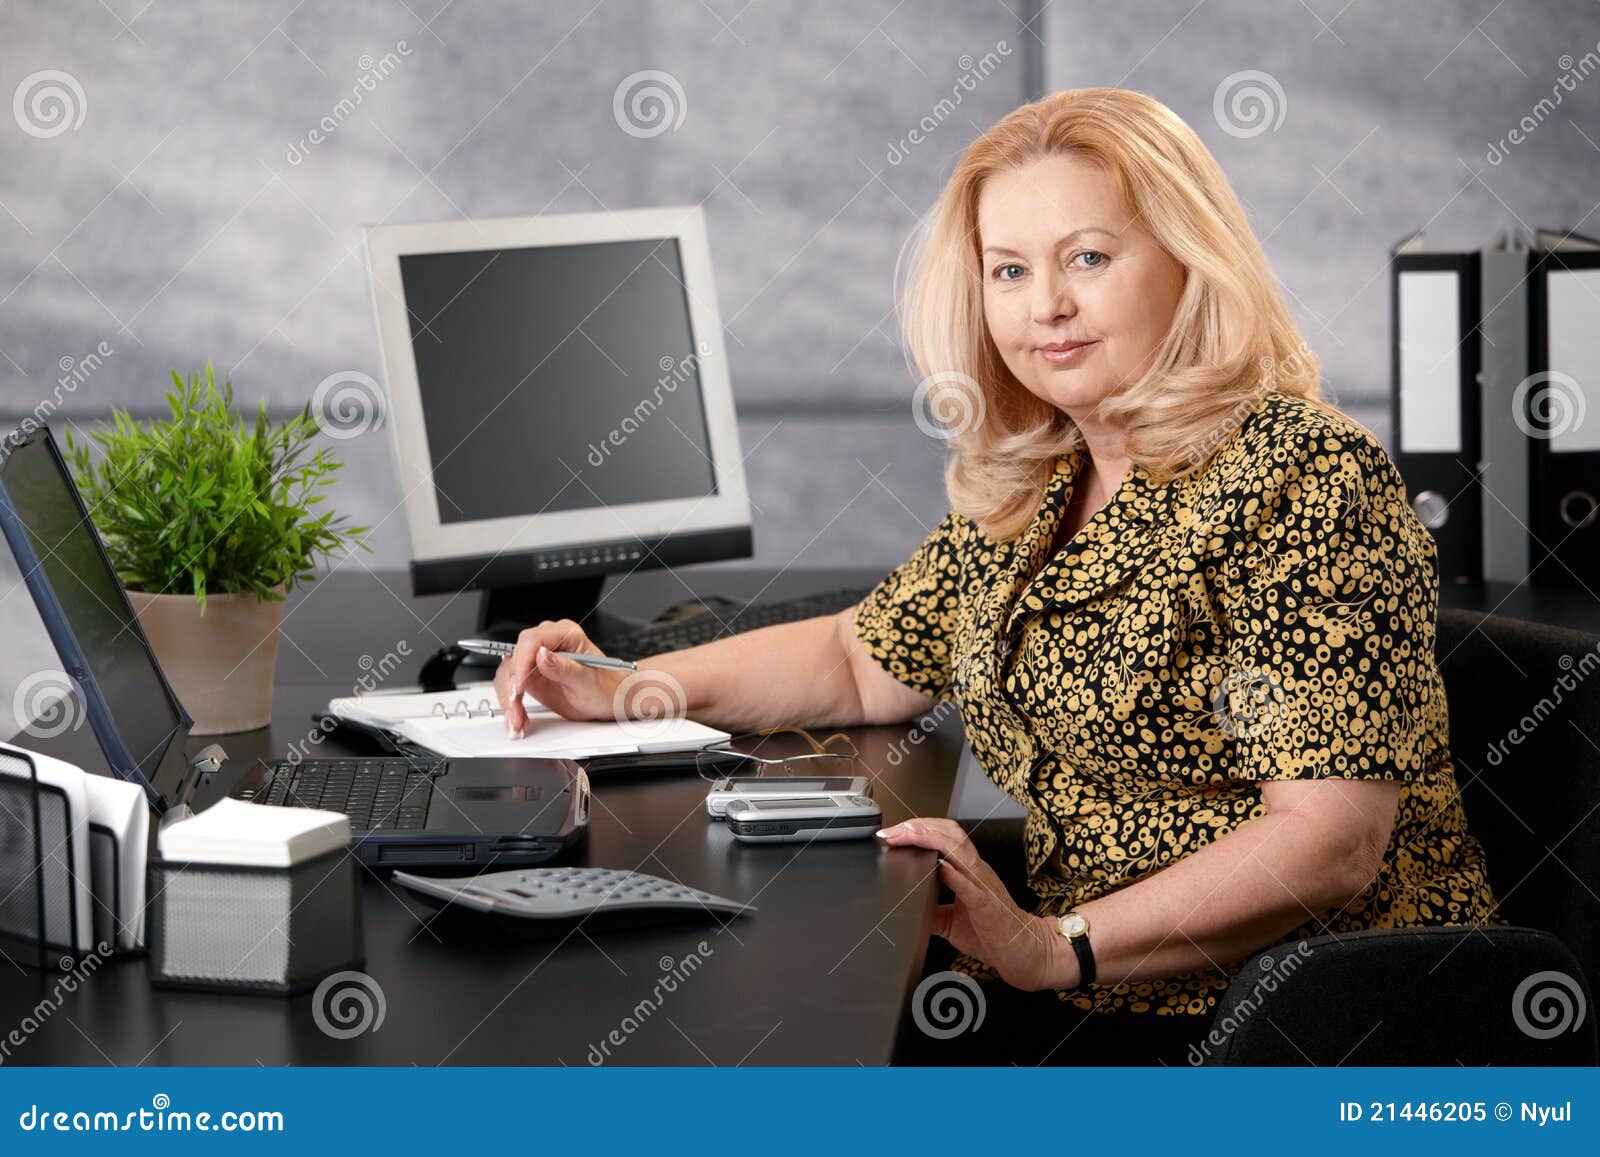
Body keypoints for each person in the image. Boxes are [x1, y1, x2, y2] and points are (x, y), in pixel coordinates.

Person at [493, 87, 1504, 1066]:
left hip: (1287, 1021)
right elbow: (861, 661)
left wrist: (1050, 944)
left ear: (1188, 262)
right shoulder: (1043, 472)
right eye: (1008, 271)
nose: (1046, 306)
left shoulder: (1300, 470)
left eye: (1089, 258)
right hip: (1093, 975)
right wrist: (627, 687)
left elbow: (1329, 840)